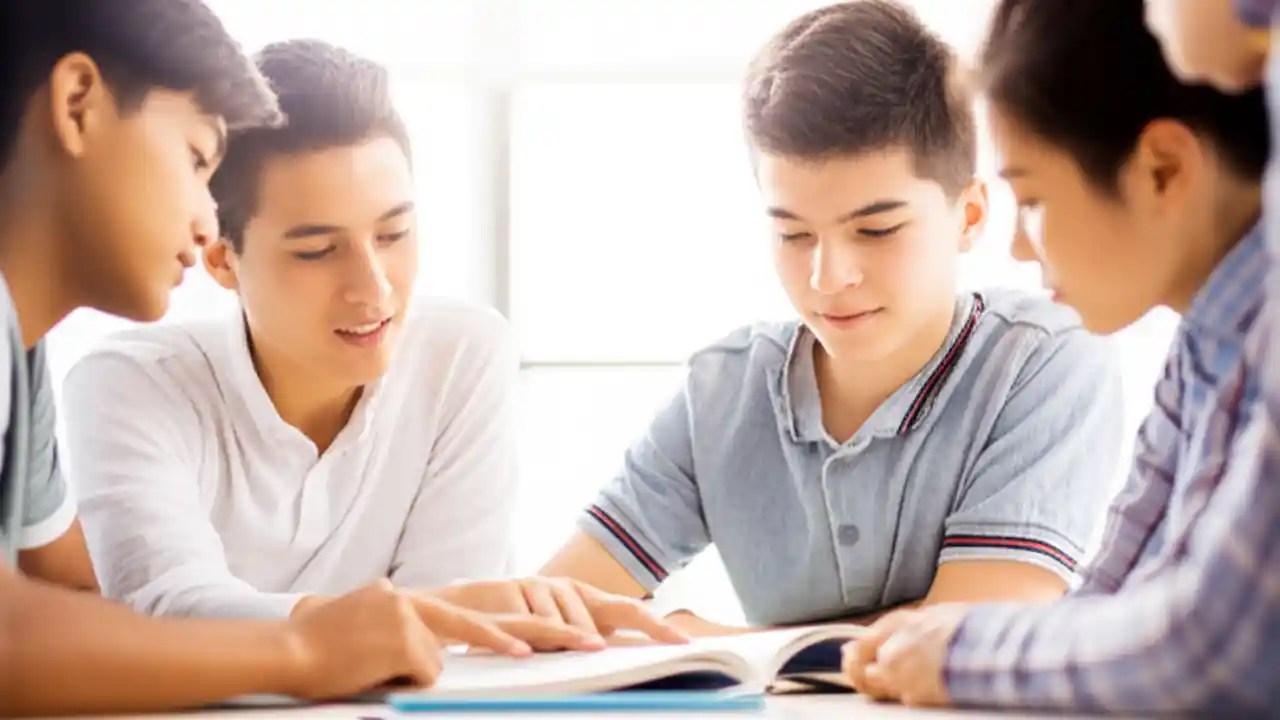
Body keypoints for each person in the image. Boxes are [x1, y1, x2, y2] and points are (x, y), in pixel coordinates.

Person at [0, 3, 637, 716]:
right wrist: (315, 645)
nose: (373, 289)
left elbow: (55, 592)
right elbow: (58, 622)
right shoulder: (116, 376)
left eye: (395, 233)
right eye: (195, 158)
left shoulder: (21, 355)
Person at [541, 0, 1124, 635]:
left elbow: (965, 639)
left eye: (876, 230)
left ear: (971, 216)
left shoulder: (1046, 363)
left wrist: (699, 638)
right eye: (793, 235)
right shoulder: (723, 389)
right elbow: (558, 612)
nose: (828, 278)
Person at [841, 0, 1280, 713]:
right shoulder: (1201, 341)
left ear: (1163, 170)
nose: (1018, 246)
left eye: (1033, 198)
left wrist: (962, 656)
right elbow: (1115, 597)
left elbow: (1207, 649)